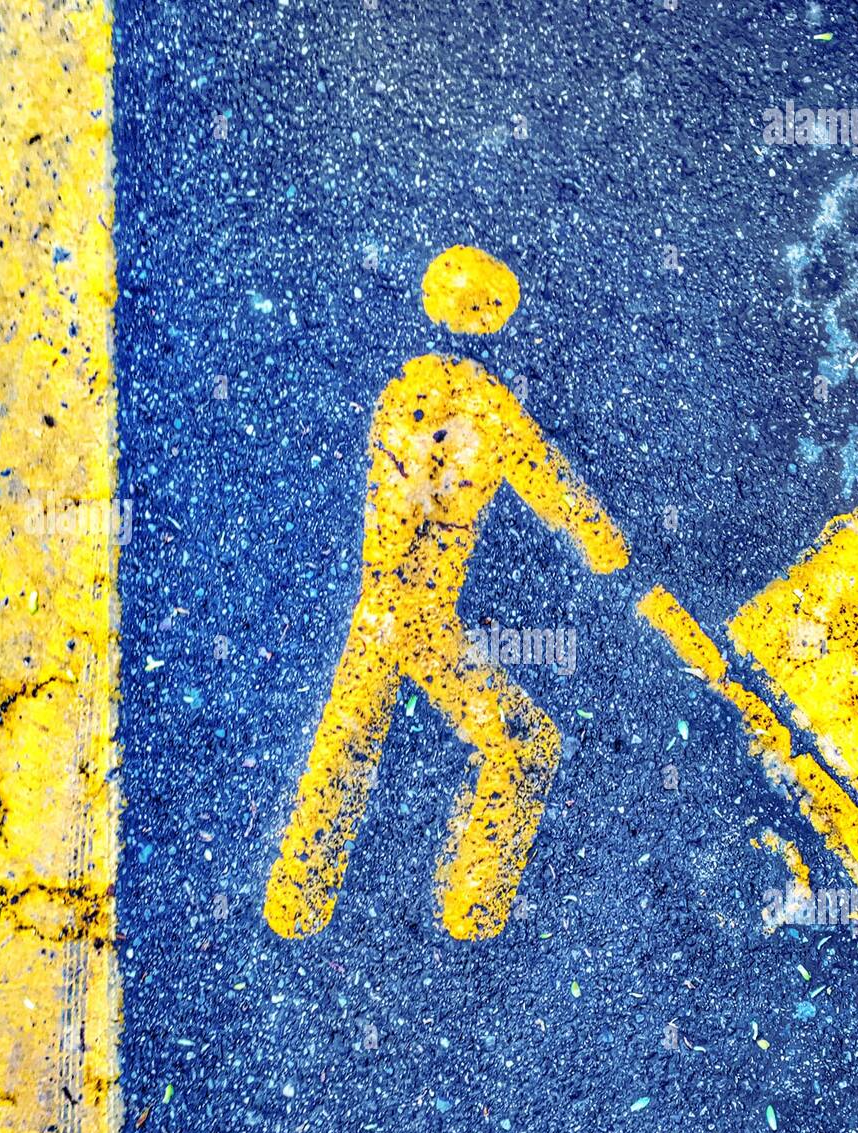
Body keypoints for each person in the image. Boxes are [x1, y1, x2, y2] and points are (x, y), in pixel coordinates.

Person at [265, 245, 629, 941]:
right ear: (492, 318)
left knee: (349, 738)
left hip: (382, 606)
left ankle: (298, 895)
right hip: (422, 615)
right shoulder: (489, 408)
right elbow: (550, 484)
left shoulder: (401, 391)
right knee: (522, 744)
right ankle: (472, 905)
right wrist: (603, 544)